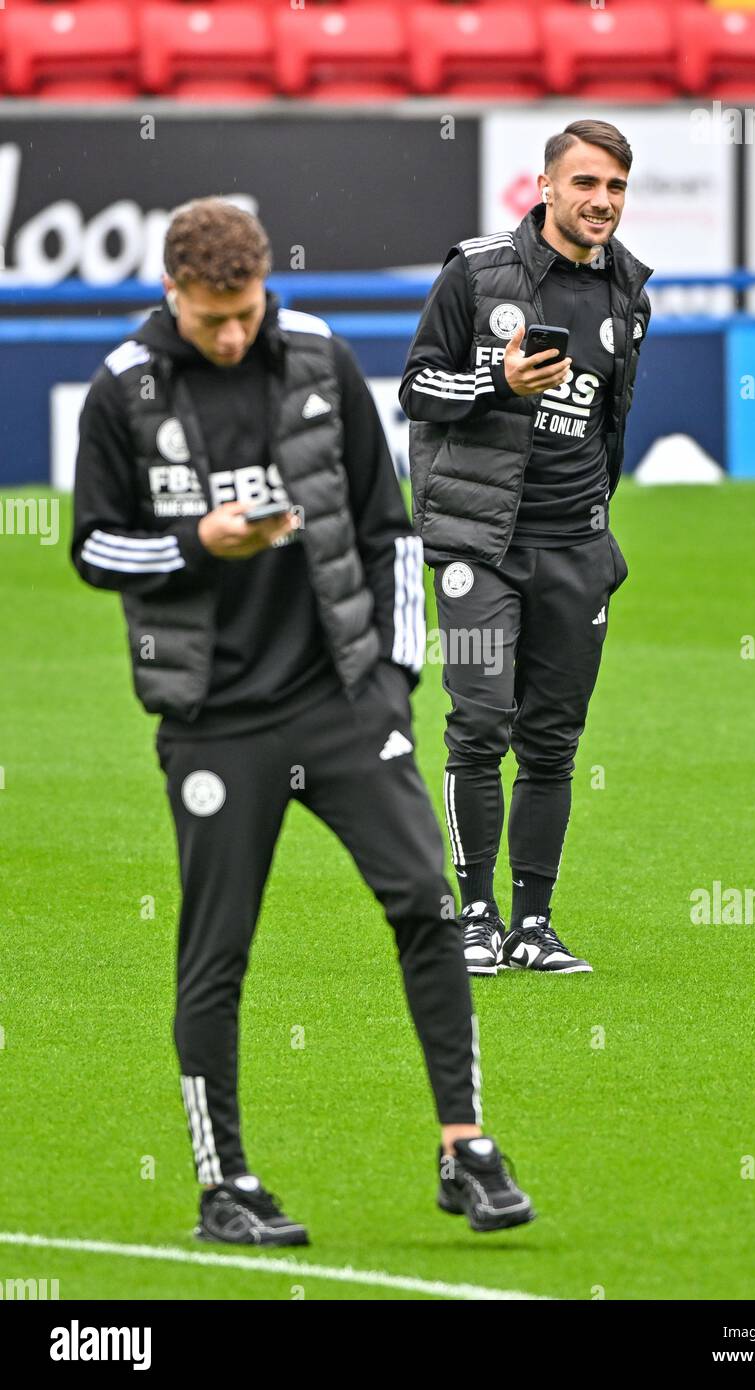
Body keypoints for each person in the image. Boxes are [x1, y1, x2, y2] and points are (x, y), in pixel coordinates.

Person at [71, 197, 534, 1242]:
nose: (231, 335)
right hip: (213, 720)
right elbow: (95, 548)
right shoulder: (123, 390)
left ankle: (467, 1146)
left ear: (265, 285)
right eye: (209, 318)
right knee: (216, 947)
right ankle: (225, 1182)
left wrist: (395, 677)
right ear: (171, 294)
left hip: (344, 700)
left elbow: (389, 522)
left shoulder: (321, 358)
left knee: (425, 901)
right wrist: (199, 540)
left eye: (245, 312)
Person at [400, 120, 653, 976]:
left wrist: (595, 532)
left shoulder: (629, 291)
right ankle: (471, 917)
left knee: (551, 742)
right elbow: (416, 387)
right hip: (479, 546)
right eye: (584, 184)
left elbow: (609, 427)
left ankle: (532, 925)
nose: (601, 202)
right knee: (478, 722)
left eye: (615, 187)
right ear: (543, 187)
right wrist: (495, 383)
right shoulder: (476, 272)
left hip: (573, 548)